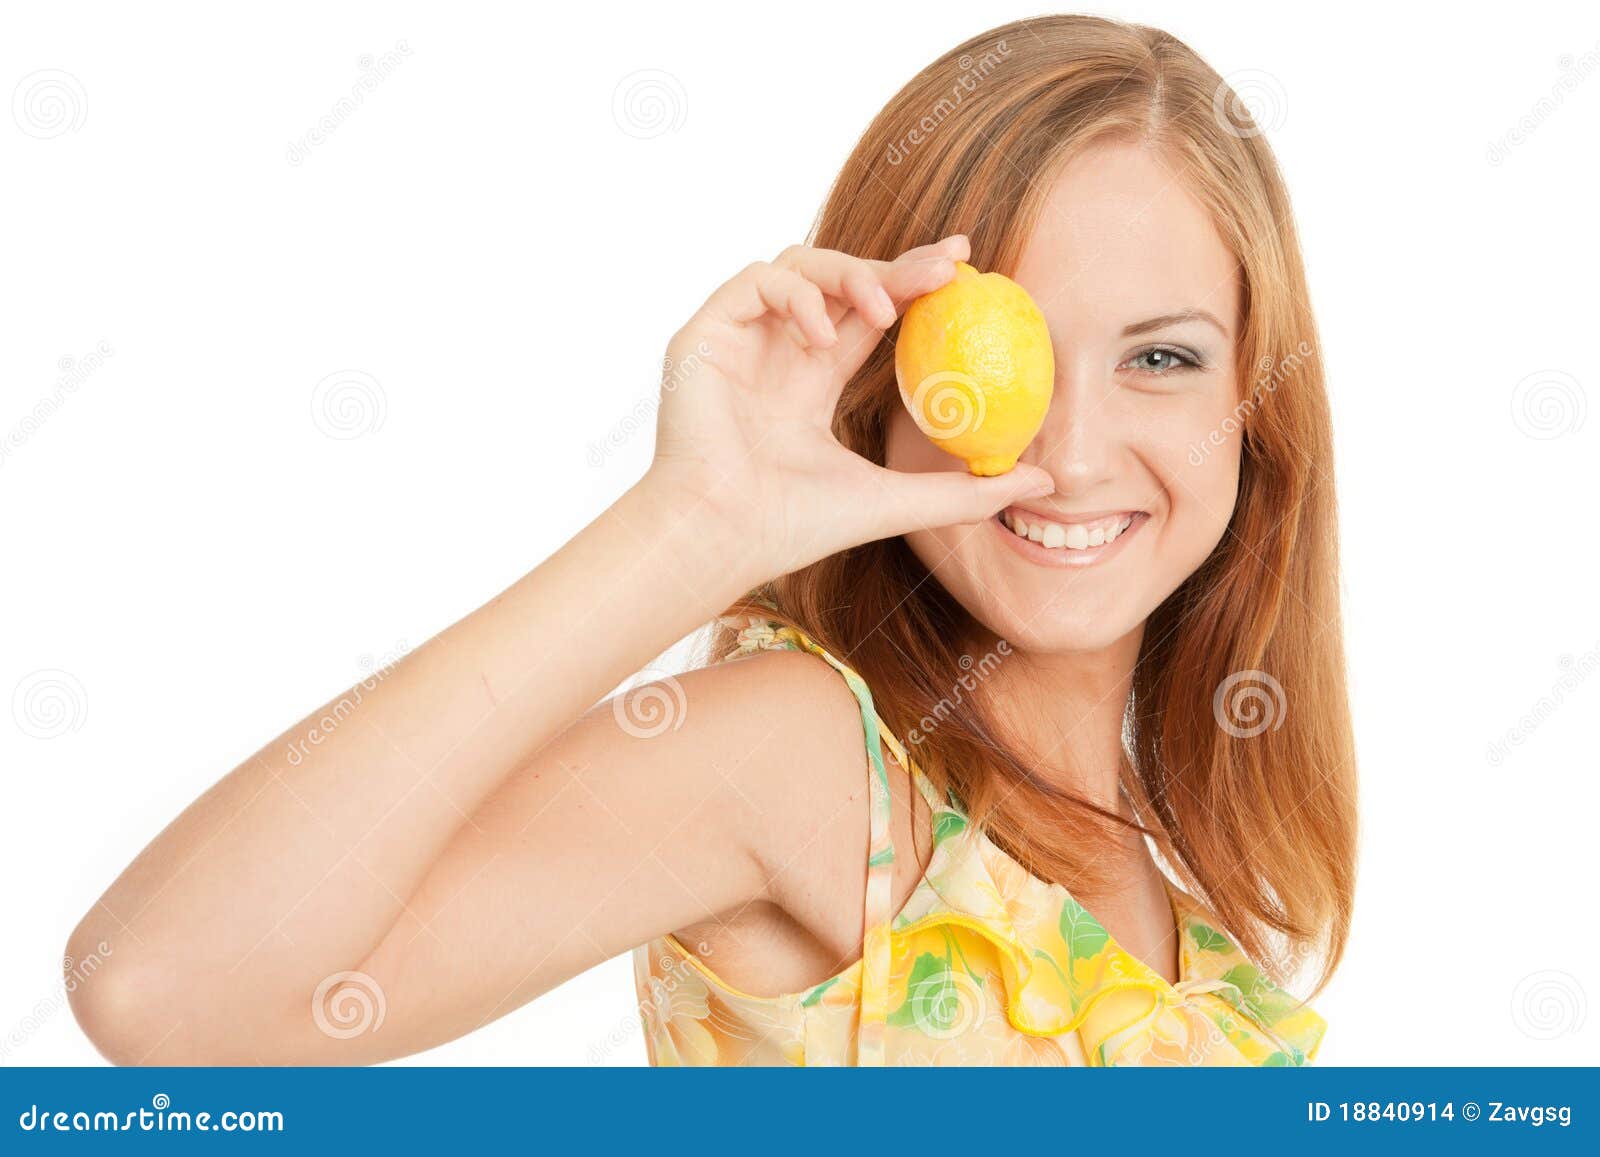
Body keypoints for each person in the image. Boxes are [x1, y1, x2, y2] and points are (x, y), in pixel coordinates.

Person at [66, 13, 1356, 1067]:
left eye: (1163, 357)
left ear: (1254, 410)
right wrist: (688, 529)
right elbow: (161, 996)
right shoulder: (811, 763)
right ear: (883, 380)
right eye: (1009, 353)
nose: (1071, 451)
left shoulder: (1194, 904)